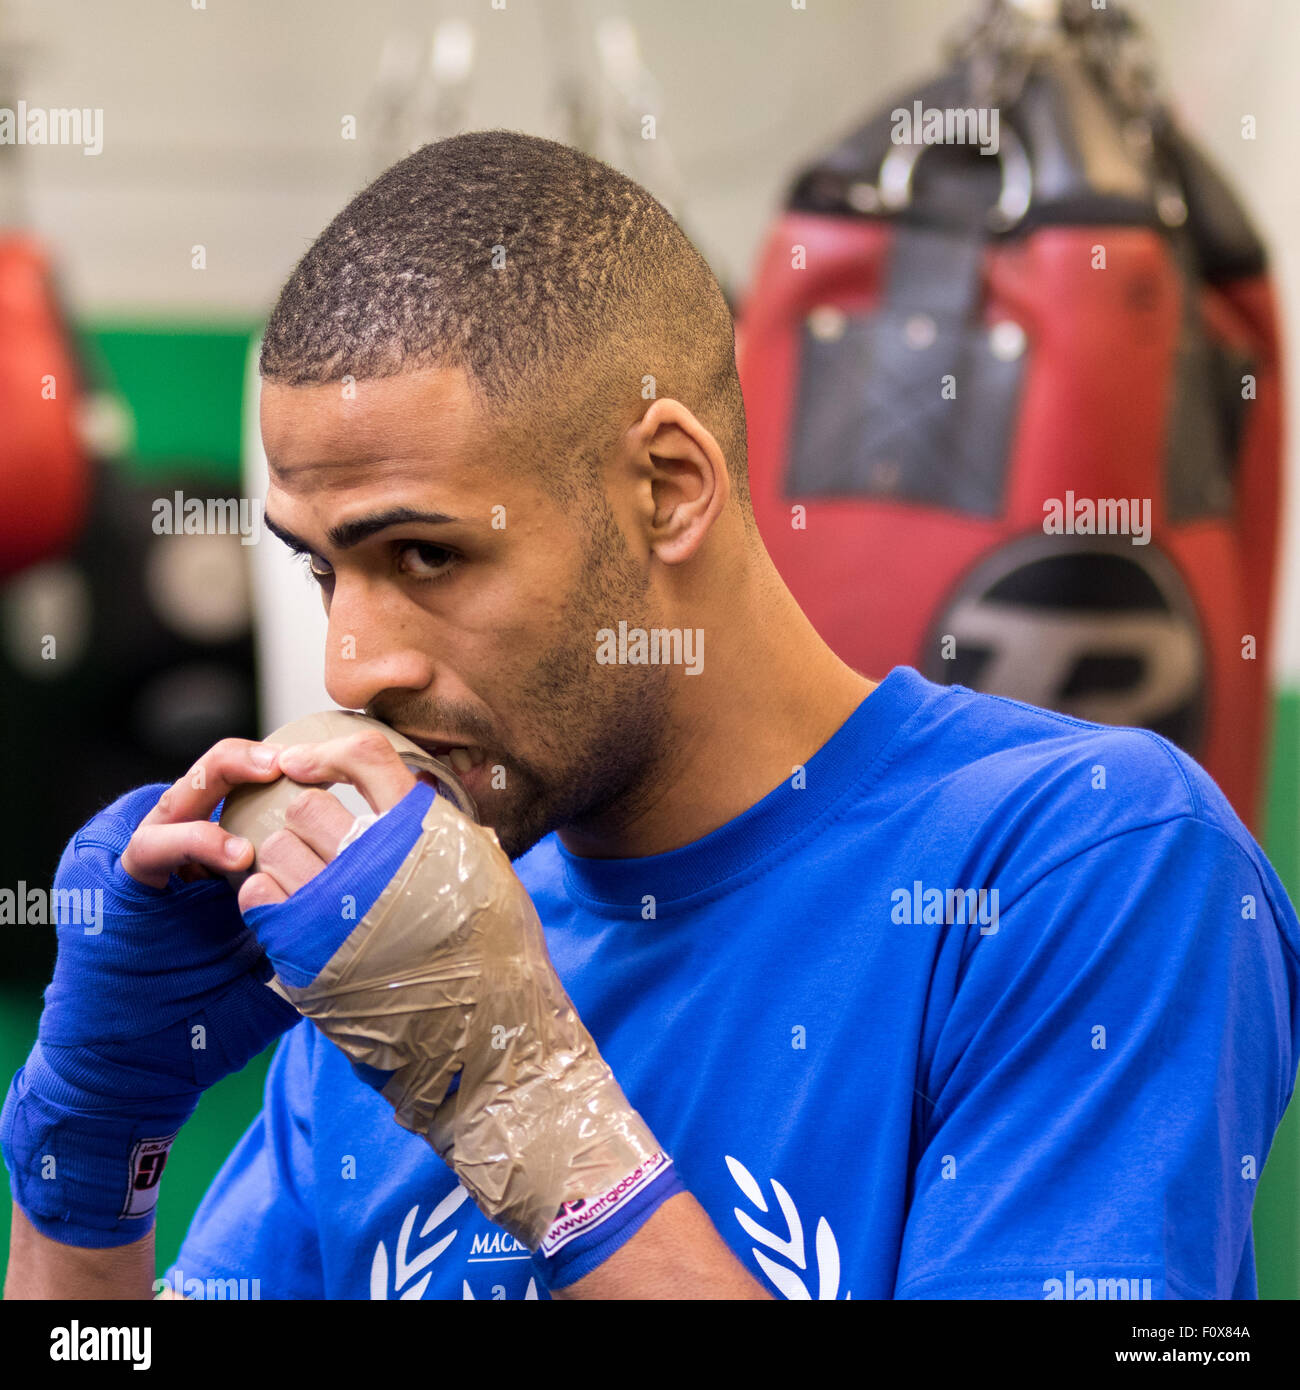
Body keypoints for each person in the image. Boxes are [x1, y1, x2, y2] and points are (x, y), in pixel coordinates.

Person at [5, 131, 1297, 1301]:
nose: (354, 664)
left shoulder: (1087, 863)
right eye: (322, 567)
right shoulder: (401, 958)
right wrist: (88, 1152)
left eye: (428, 556)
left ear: (669, 487)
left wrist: (526, 1105)